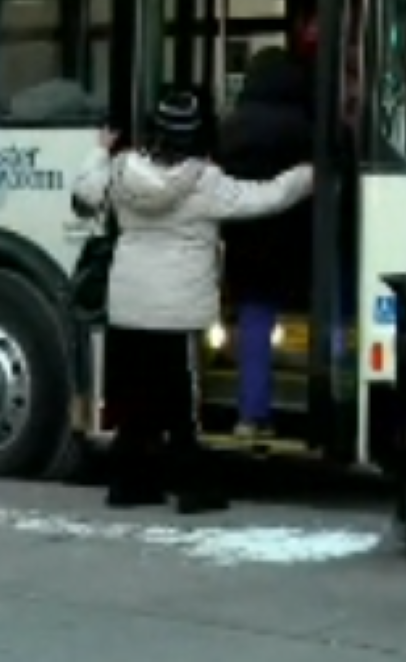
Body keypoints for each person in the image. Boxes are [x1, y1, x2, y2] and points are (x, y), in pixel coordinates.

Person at [71, 87, 312, 514]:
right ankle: (194, 491)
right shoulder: (205, 182)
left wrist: (99, 152)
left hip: (128, 305)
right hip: (177, 313)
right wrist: (311, 173)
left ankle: (129, 487)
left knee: (134, 406)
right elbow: (268, 197)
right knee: (181, 410)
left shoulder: (122, 169)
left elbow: (84, 196)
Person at [216, 47, 315, 438]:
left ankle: (251, 414)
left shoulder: (231, 127)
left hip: (244, 244)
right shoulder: (306, 127)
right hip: (298, 246)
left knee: (254, 322)